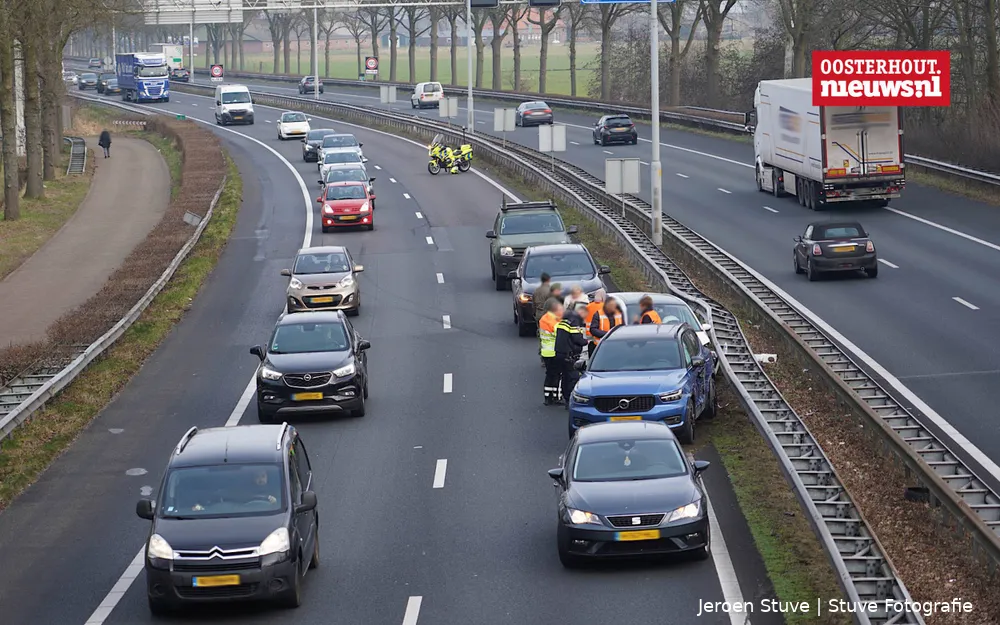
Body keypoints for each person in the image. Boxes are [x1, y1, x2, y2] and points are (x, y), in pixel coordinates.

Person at [555, 303, 588, 408]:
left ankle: (565, 398)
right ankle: (570, 400)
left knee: (564, 377)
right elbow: (577, 338)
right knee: (572, 378)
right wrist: (586, 341)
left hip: (560, 353)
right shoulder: (574, 321)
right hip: (569, 355)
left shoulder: (564, 320)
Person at [538, 298, 564, 405]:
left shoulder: (544, 318)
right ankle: (555, 397)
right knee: (557, 375)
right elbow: (560, 334)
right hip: (554, 352)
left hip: (546, 352)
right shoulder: (553, 321)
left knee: (550, 374)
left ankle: (548, 397)